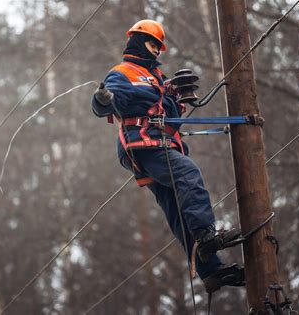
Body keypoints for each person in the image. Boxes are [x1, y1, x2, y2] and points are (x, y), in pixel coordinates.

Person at [91, 19, 244, 293]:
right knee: (188, 173)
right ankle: (206, 234)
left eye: (159, 48)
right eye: (153, 45)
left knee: (177, 210)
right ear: (138, 42)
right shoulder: (123, 73)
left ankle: (212, 272)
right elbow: (110, 103)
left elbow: (170, 117)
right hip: (144, 145)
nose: (157, 52)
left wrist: (177, 99)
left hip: (160, 145)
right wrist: (102, 100)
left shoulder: (160, 79)